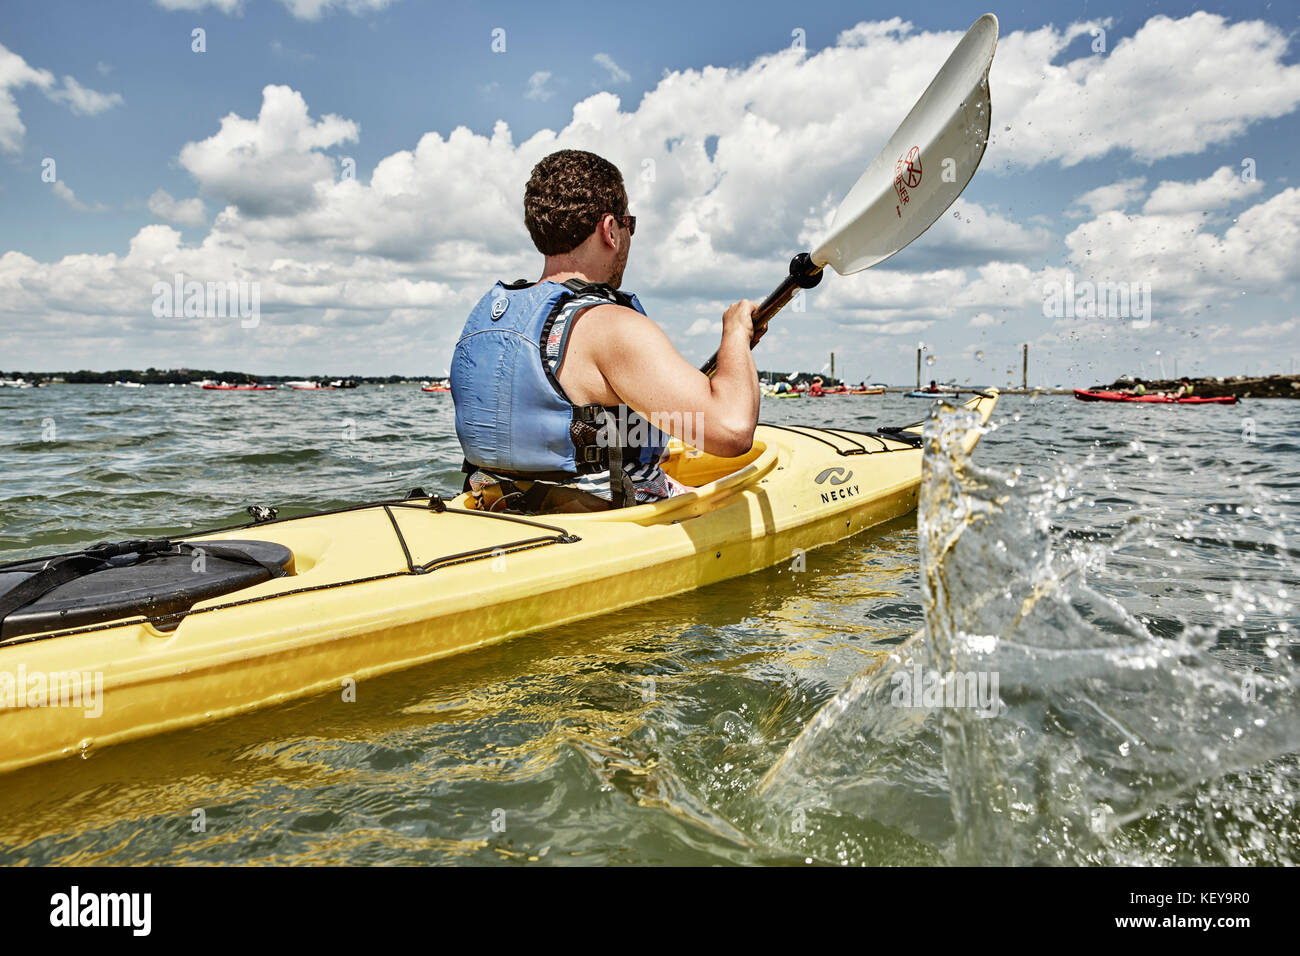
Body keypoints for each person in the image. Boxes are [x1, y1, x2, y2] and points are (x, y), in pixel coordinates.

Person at [450, 149, 760, 513]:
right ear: (610, 229)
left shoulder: (493, 319)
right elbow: (732, 431)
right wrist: (735, 334)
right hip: (602, 522)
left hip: (499, 508)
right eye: (630, 224)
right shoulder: (610, 325)